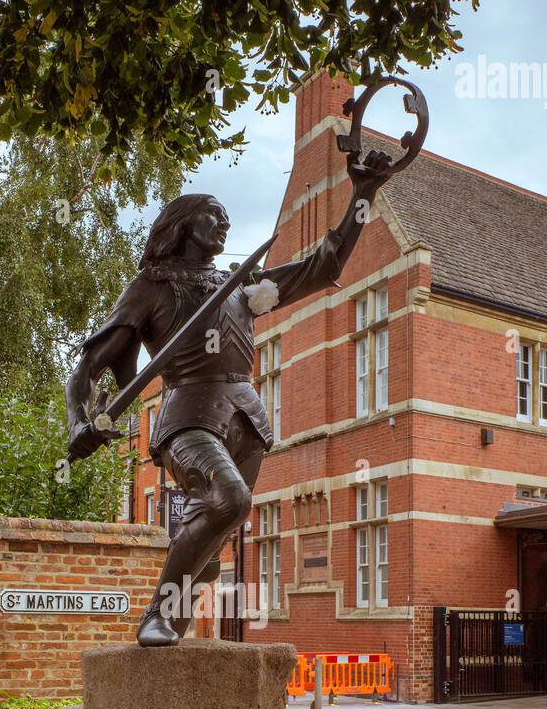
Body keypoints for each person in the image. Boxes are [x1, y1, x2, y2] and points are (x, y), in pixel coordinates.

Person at [66, 152, 395, 645]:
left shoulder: (241, 286)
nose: (224, 223)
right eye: (212, 214)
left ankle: (170, 632)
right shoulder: (151, 287)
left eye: (227, 217)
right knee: (229, 499)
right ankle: (157, 615)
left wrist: (364, 193)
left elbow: (324, 264)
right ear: (181, 225)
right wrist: (79, 421)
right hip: (188, 417)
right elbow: (90, 365)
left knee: (217, 538)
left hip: (248, 420)